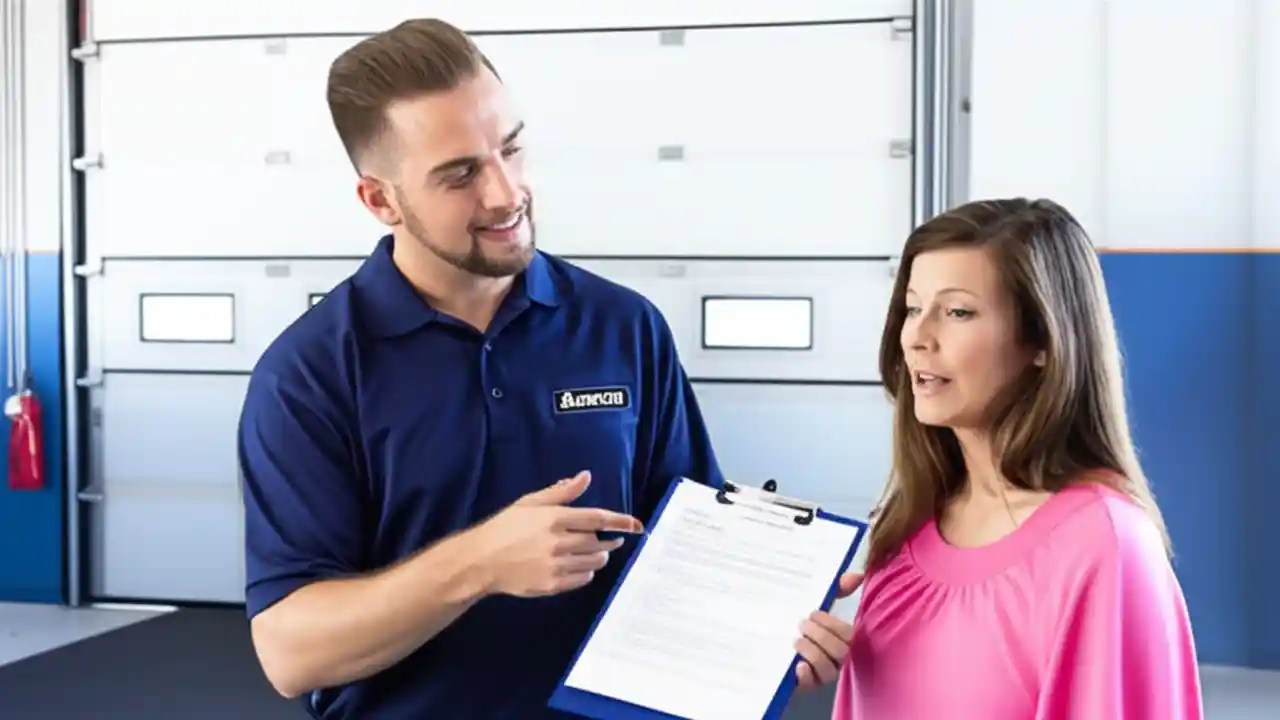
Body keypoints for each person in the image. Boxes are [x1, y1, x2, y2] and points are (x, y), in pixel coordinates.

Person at [237, 18, 858, 719]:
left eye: (510, 147)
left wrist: (768, 620)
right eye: (461, 173)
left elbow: (687, 551)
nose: (506, 193)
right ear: (381, 200)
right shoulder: (309, 375)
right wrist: (478, 565)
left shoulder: (623, 327)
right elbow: (292, 654)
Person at [831, 198, 1204, 719]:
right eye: (914, 308)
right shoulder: (907, 526)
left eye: (957, 312)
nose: (918, 337)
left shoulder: (1102, 545)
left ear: (1044, 341)